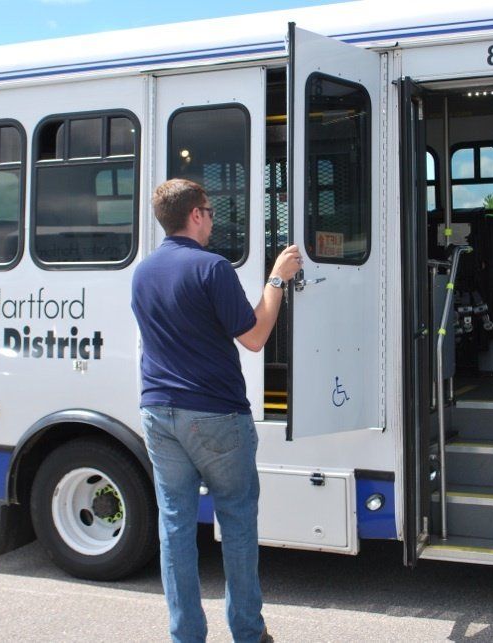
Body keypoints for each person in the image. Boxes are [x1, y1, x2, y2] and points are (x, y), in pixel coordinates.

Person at [131, 178, 301, 643]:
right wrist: (276, 279)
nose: (213, 218)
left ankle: (186, 635)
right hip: (215, 415)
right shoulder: (213, 268)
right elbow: (254, 336)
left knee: (176, 527)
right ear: (196, 215)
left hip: (158, 412)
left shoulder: (143, 272)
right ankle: (247, 631)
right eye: (209, 209)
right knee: (238, 521)